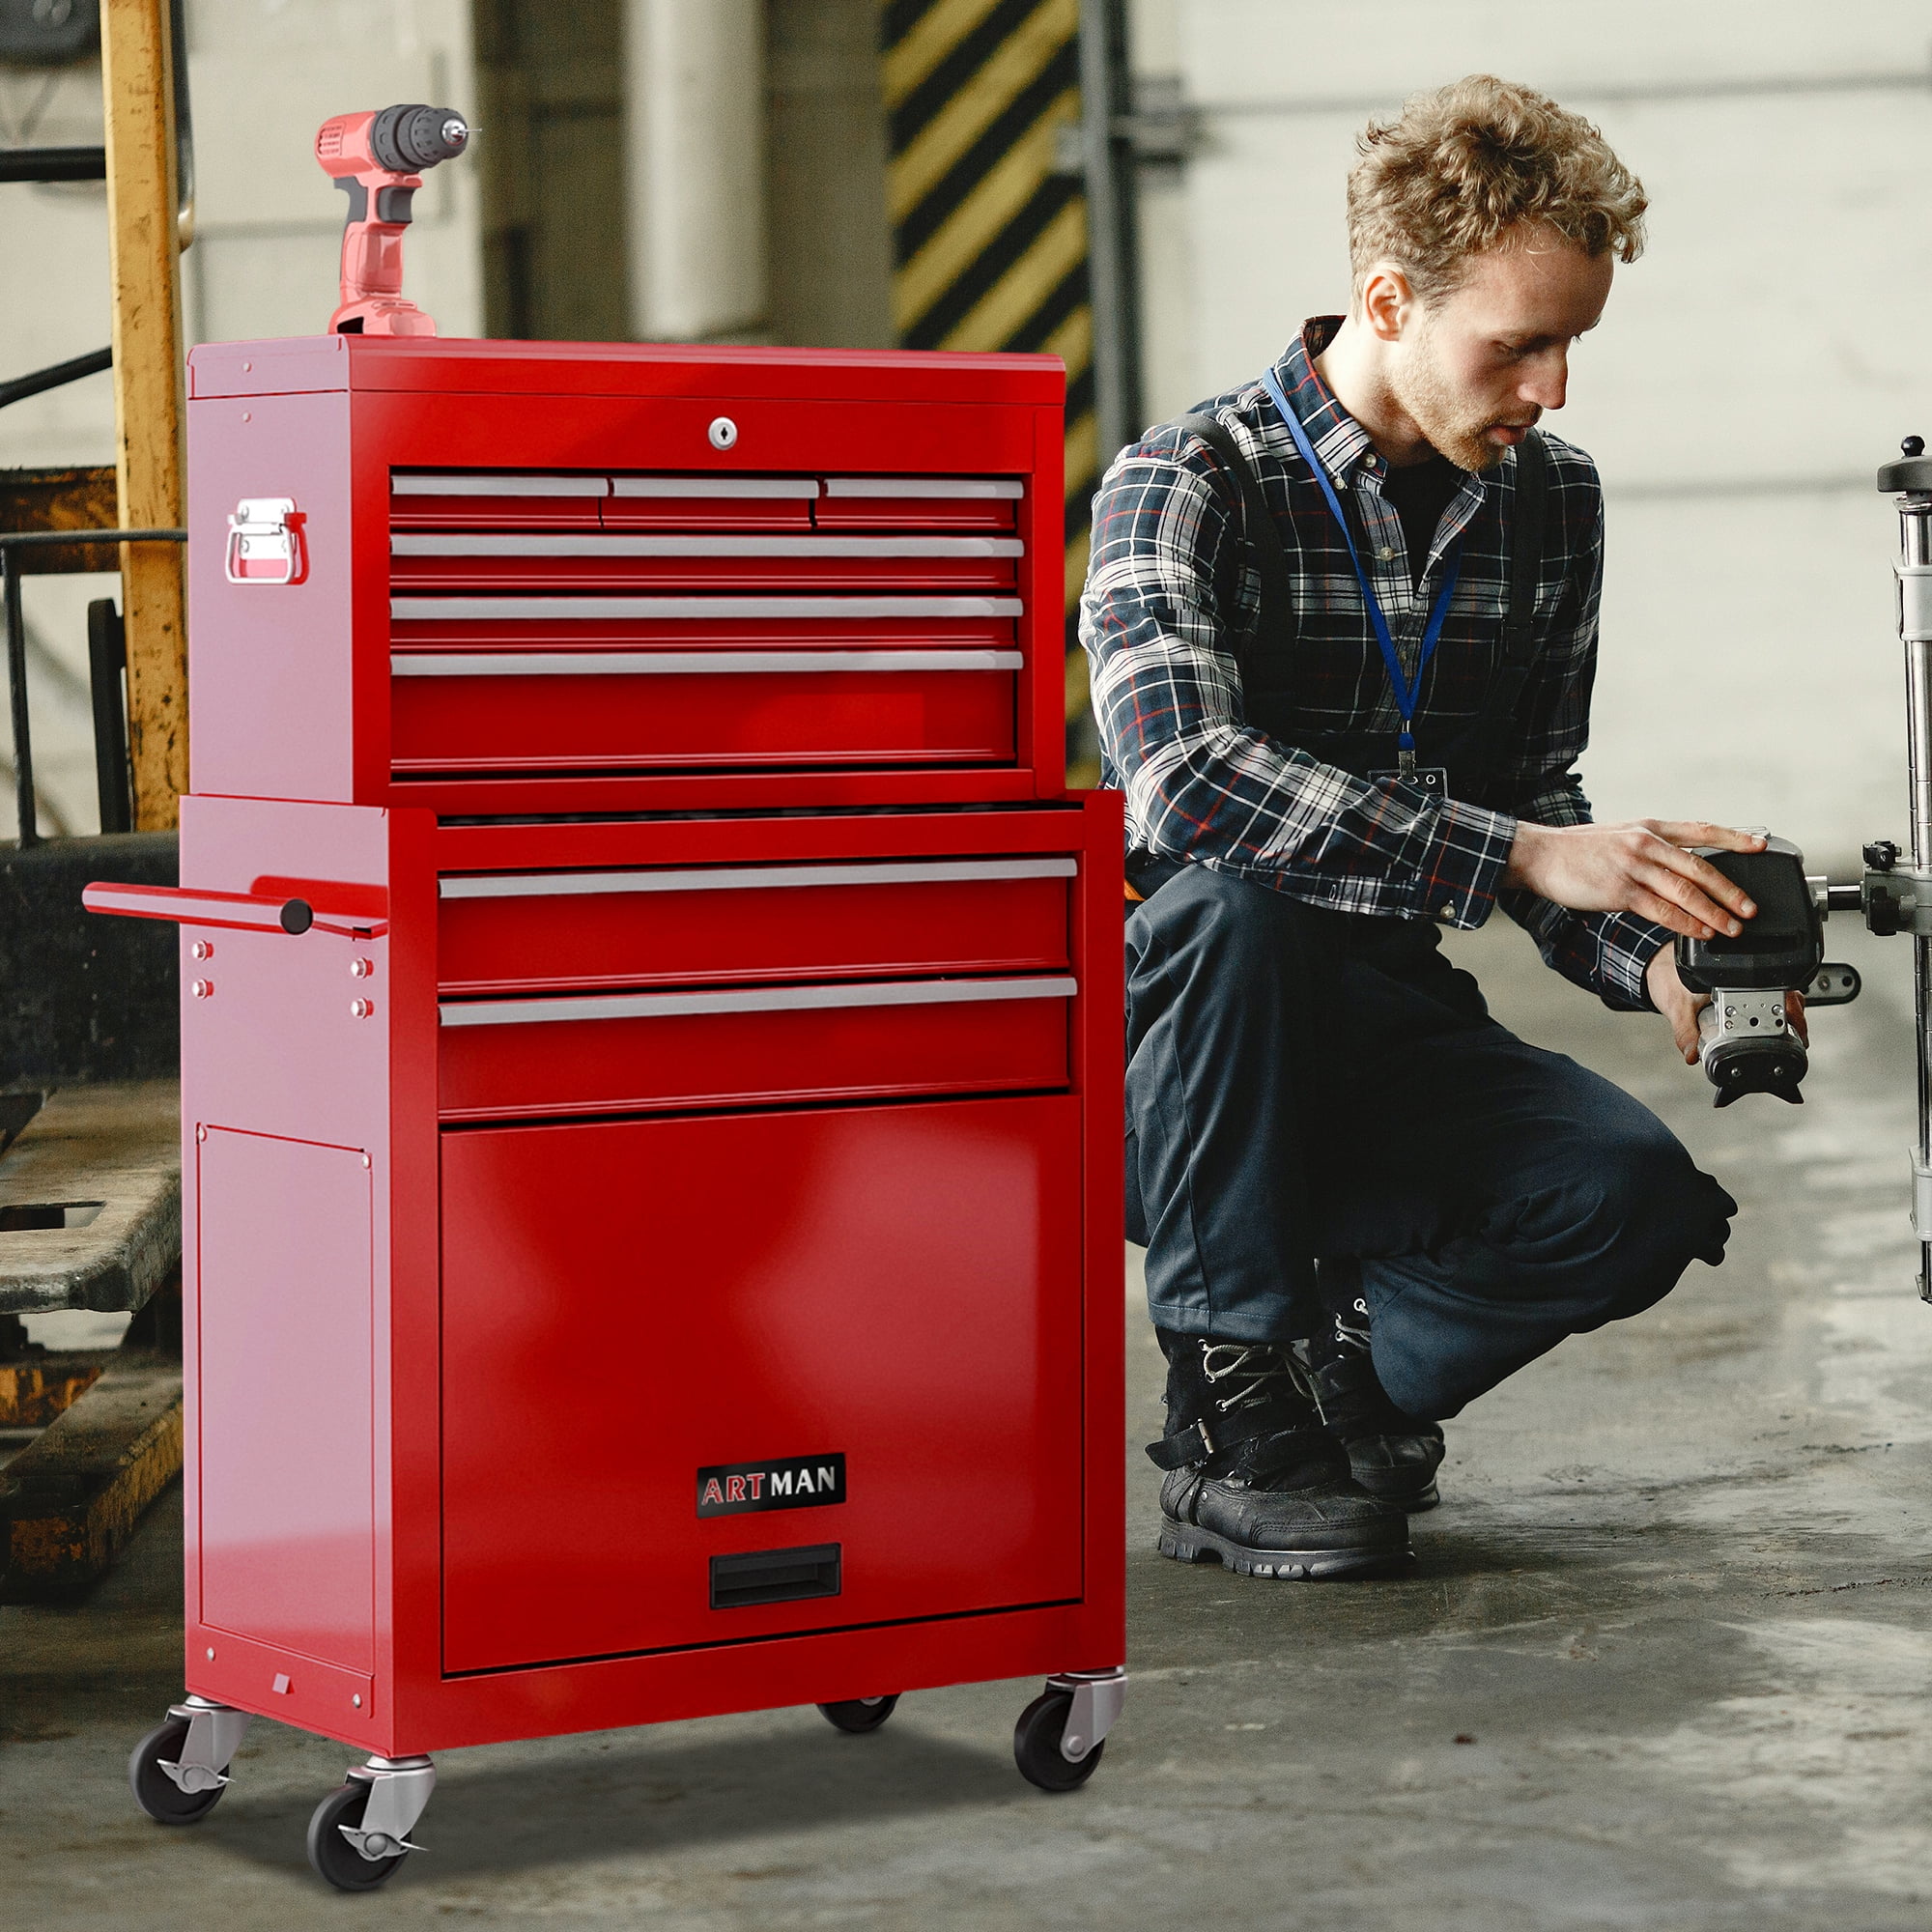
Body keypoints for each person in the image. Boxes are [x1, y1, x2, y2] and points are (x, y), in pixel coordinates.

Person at [1080, 74, 1767, 1580]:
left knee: (1631, 1196)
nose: (1553, 391)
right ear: (1387, 297)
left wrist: (1647, 949)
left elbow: (1539, 797)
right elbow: (1182, 782)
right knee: (1231, 903)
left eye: (1573, 344)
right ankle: (1228, 1402)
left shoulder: (1550, 506)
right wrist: (1513, 852)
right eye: (1519, 345)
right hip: (1164, 1049)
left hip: (1386, 1013)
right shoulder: (1182, 485)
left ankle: (1338, 1382)